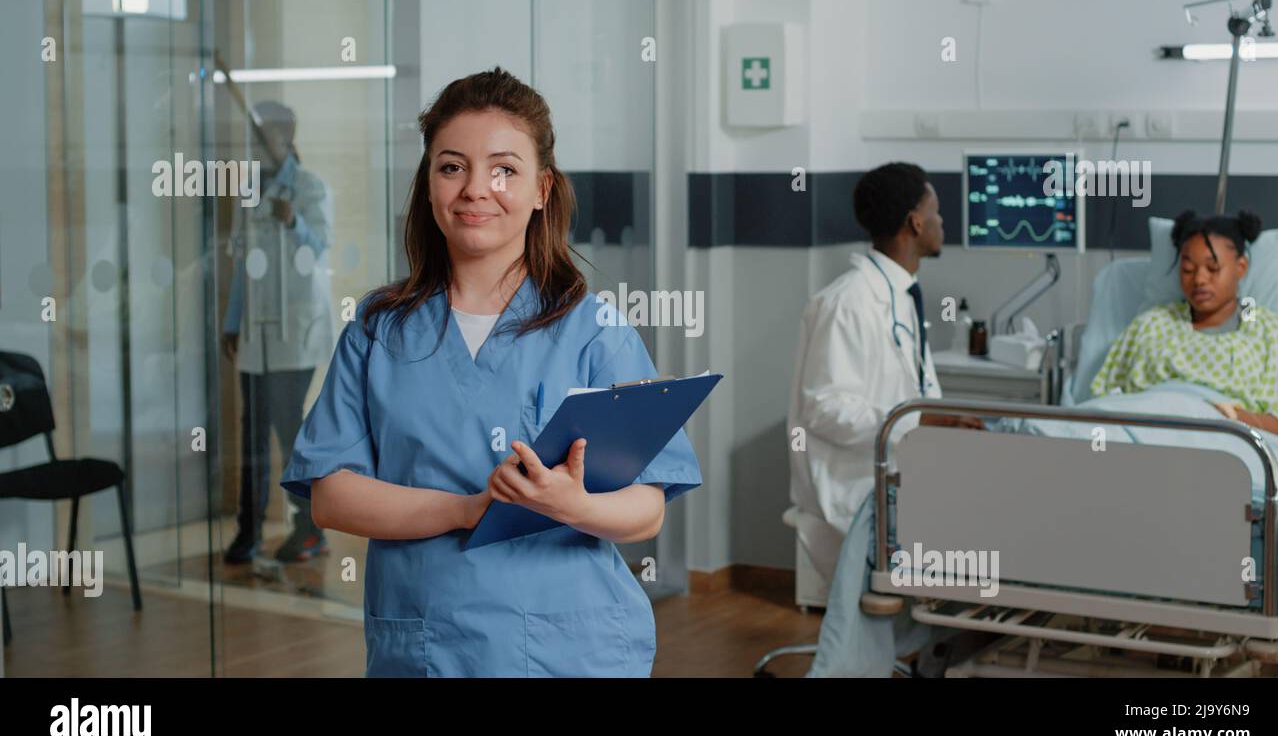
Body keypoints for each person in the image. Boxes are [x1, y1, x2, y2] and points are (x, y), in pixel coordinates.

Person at [279, 68, 702, 677]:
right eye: (452, 167)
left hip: (571, 647)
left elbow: (647, 507)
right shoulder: (377, 331)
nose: (477, 188)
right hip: (429, 644)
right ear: (428, 185)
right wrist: (465, 509)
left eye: (504, 169)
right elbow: (331, 495)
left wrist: (569, 504)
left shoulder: (595, 331)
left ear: (542, 189)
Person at [788, 161, 980, 539]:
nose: (942, 222)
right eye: (935, 212)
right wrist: (918, 422)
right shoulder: (847, 303)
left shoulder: (900, 295)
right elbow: (824, 408)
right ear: (916, 223)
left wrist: (942, 422)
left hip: (896, 475)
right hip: (851, 493)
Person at [222, 101, 336, 564]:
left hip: (296, 333)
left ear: (286, 138)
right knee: (252, 433)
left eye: (265, 136)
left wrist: (295, 221)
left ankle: (310, 528)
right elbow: (240, 266)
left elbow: (323, 242)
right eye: (255, 137)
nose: (258, 145)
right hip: (256, 333)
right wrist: (232, 323)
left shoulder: (309, 186)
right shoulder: (249, 191)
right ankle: (247, 532)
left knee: (288, 426)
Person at [1092, 209, 1278, 439]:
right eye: (1188, 269)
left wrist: (1234, 417)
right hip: (1141, 424)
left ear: (1241, 267)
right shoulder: (1152, 323)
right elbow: (1105, 401)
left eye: (1213, 268)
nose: (1199, 279)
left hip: (1217, 432)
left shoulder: (1268, 332)